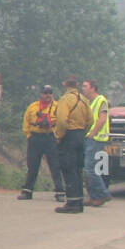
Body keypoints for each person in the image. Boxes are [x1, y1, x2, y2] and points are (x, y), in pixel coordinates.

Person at [19, 84, 66, 201]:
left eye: (50, 93)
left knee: (55, 165)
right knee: (32, 165)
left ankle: (60, 192)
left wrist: (58, 136)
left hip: (50, 138)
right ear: (41, 94)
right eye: (45, 93)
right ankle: (27, 191)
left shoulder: (57, 106)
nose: (48, 95)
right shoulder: (33, 107)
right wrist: (29, 135)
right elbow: (26, 122)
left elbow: (62, 122)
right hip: (35, 138)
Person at [53, 76, 92, 213]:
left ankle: (72, 203)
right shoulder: (84, 100)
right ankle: (79, 201)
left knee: (68, 169)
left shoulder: (65, 100)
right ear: (77, 85)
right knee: (77, 169)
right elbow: (91, 120)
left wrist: (59, 136)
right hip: (81, 136)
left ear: (65, 85)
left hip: (69, 136)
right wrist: (82, 131)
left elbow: (62, 121)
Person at [82, 79, 112, 207]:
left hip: (97, 139)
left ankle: (103, 194)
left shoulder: (101, 100)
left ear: (93, 88)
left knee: (91, 168)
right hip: (90, 138)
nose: (83, 88)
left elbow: (102, 119)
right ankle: (94, 197)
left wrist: (93, 133)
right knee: (89, 168)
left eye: (85, 86)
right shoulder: (89, 102)